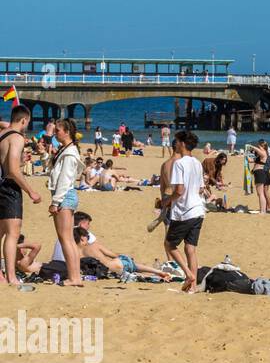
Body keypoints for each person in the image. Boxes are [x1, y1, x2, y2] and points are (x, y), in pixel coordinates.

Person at [1, 105, 40, 288]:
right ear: (24, 120)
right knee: (12, 234)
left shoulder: (2, 135)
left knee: (1, 232)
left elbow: (7, 165)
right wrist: (30, 190)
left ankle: (2, 276)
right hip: (9, 189)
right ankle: (11, 277)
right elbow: (13, 172)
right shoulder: (17, 137)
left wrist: (21, 162)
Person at [161, 131, 205, 292]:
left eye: (177, 141)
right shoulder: (197, 163)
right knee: (190, 249)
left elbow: (179, 190)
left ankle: (189, 275)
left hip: (184, 211)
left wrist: (166, 201)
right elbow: (201, 188)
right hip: (198, 209)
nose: (175, 144)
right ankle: (192, 288)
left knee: (169, 244)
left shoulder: (179, 163)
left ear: (182, 144)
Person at [47, 119, 86, 286]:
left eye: (58, 130)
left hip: (64, 196)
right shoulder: (67, 150)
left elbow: (64, 179)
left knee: (65, 239)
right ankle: (75, 276)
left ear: (67, 132)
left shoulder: (70, 152)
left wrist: (55, 202)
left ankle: (74, 277)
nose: (56, 133)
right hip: (66, 195)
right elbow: (56, 172)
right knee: (68, 239)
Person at [74, 227, 172, 280]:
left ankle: (154, 275)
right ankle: (158, 272)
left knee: (134, 273)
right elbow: (113, 255)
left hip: (108, 273)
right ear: (83, 238)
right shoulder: (94, 246)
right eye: (87, 236)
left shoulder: (73, 254)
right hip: (118, 265)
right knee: (132, 265)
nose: (89, 238)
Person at [250, 140, 270, 214]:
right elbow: (251, 160)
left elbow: (259, 151)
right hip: (258, 173)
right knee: (260, 193)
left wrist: (252, 147)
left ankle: (263, 211)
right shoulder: (260, 155)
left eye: (260, 146)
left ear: (264, 146)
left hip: (260, 173)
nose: (259, 147)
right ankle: (263, 209)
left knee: (261, 193)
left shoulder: (264, 153)